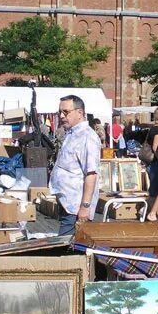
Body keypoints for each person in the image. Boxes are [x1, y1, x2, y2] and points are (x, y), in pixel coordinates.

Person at [50, 95, 101, 235]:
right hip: (67, 203)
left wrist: (85, 207)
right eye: (60, 112)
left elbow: (91, 174)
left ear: (79, 113)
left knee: (67, 249)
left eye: (66, 112)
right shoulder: (71, 133)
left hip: (76, 207)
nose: (61, 116)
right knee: (66, 245)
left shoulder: (87, 137)